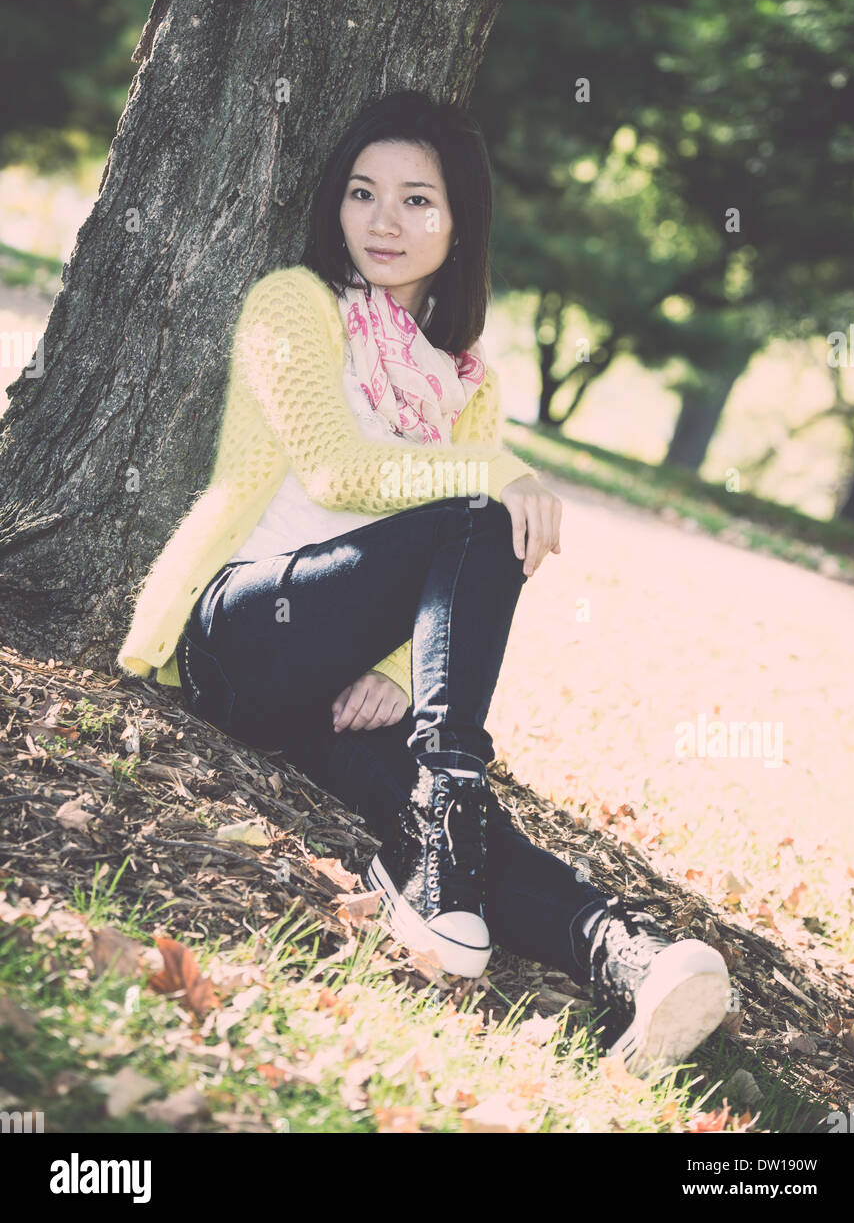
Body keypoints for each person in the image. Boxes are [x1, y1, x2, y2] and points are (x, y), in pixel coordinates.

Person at [117, 89, 730, 1079]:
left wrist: (402, 671)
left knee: (435, 805)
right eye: (364, 195)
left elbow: (454, 570)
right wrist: (495, 473)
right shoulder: (294, 304)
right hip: (241, 631)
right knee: (484, 509)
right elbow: (337, 472)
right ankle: (454, 791)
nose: (385, 222)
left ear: (460, 223)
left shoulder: (468, 381)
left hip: (340, 681)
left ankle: (634, 955)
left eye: (417, 201)